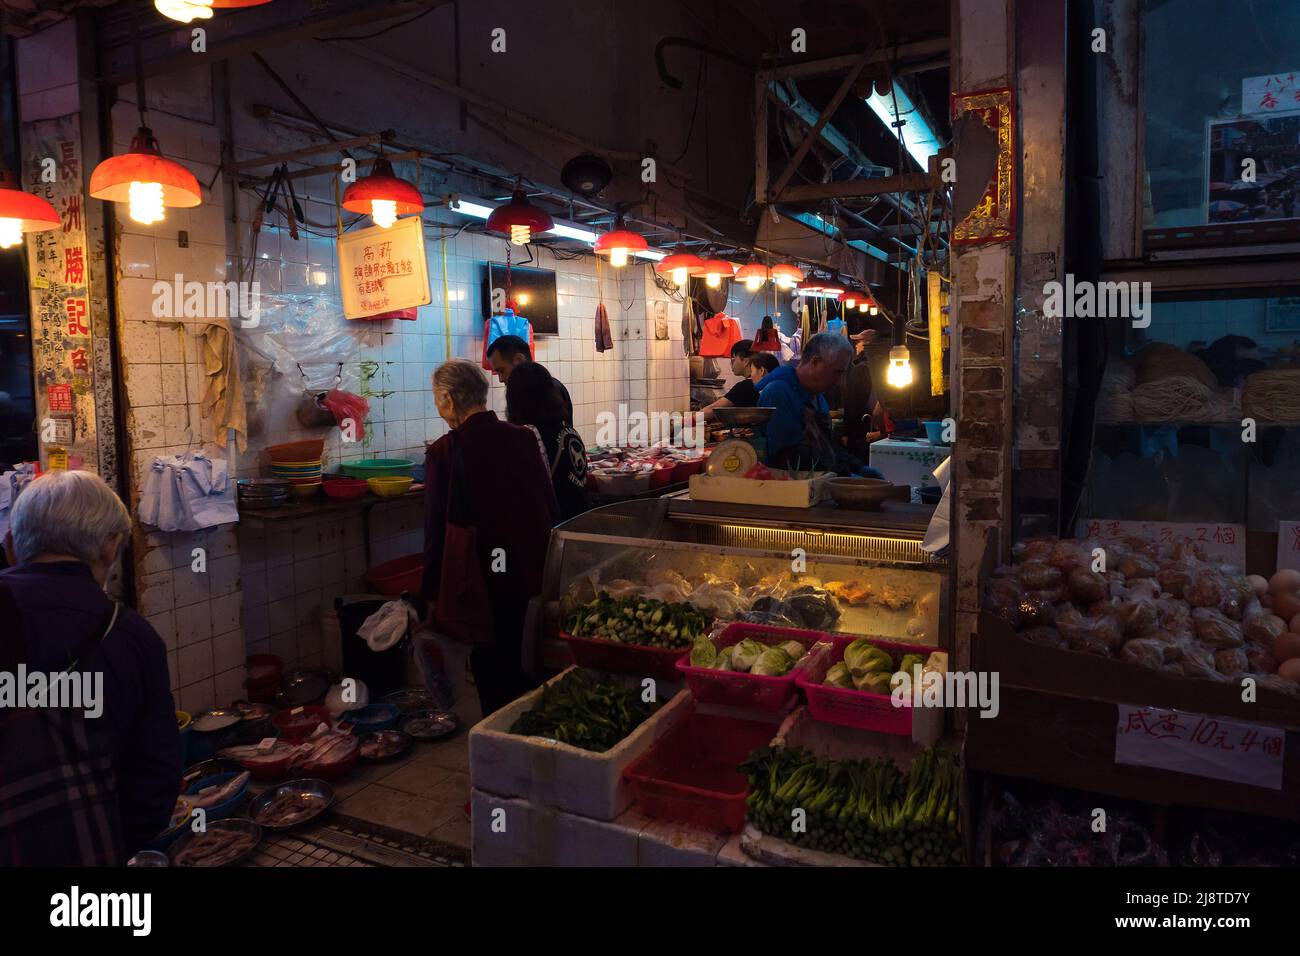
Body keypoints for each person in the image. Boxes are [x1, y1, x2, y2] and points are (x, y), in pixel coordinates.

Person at [0, 470, 180, 864]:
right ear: (109, 548)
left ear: (12, 546)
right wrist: (112, 842)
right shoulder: (132, 636)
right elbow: (157, 774)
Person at [423, 360, 559, 716]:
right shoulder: (524, 437)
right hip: (529, 571)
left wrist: (430, 593)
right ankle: (535, 743)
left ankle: (500, 749)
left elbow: (436, 531)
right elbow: (549, 502)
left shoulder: (444, 452)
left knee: (493, 676)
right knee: (528, 667)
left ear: (449, 400)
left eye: (438, 400)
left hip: (481, 581)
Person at [758, 331, 882, 477]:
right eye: (836, 373)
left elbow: (829, 447)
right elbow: (787, 455)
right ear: (815, 362)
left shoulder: (819, 399)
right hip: (789, 492)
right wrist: (843, 473)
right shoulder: (779, 393)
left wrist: (859, 467)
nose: (840, 382)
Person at [506, 361, 589, 522]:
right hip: (580, 521)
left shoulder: (529, 436)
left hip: (555, 527)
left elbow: (525, 492)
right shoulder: (570, 431)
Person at [485, 334, 574, 426]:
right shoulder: (523, 390)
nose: (501, 379)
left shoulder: (547, 389)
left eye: (501, 370)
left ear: (519, 360)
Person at [699, 340, 761, 420]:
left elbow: (713, 409)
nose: (731, 364)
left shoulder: (745, 386)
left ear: (746, 361)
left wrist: (685, 422)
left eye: (733, 359)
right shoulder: (761, 382)